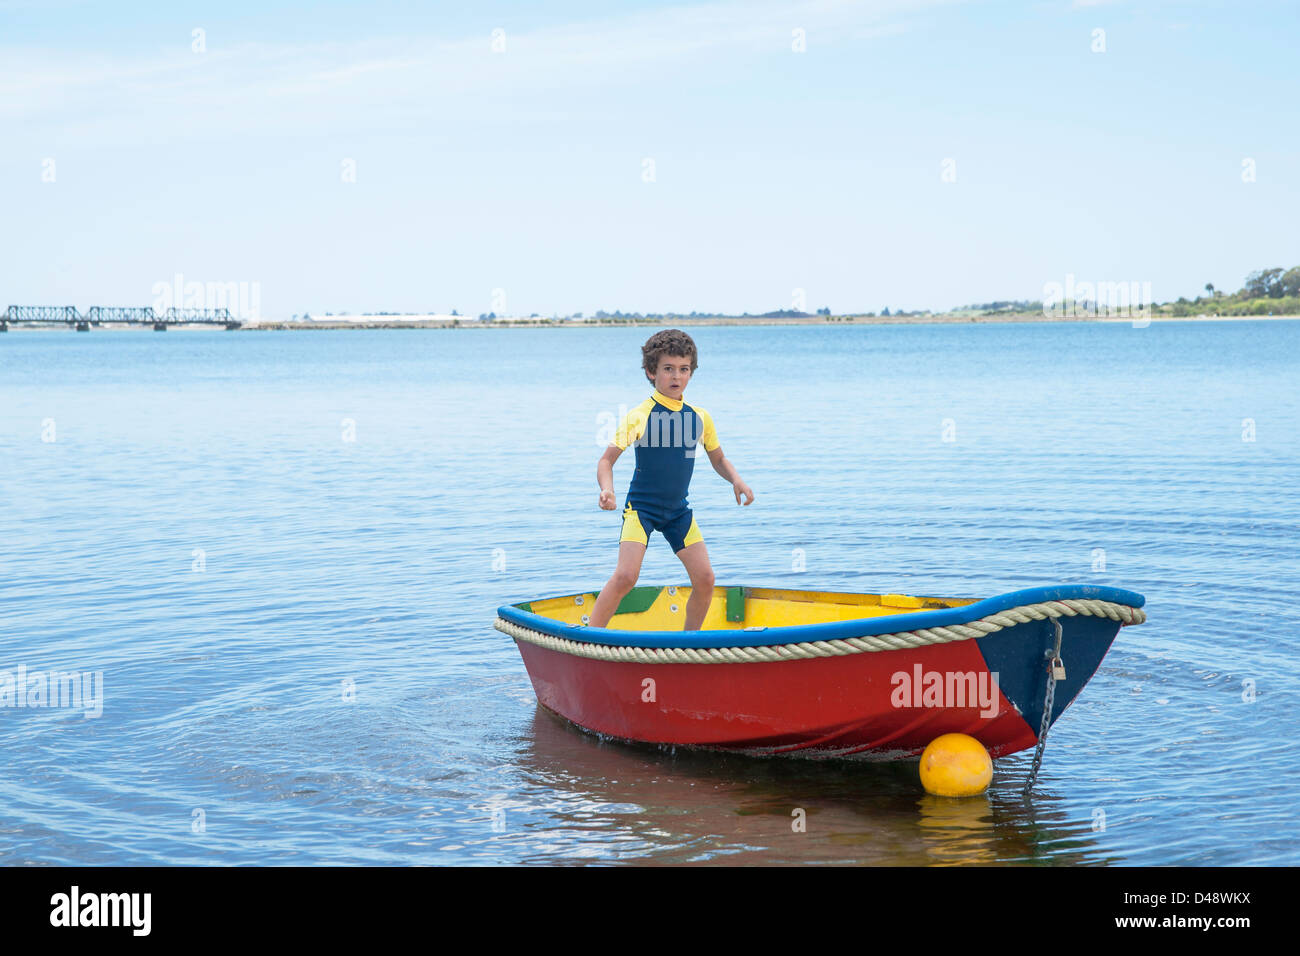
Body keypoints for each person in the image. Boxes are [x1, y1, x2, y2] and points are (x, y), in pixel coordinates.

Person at [589, 329, 754, 630]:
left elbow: (718, 459)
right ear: (652, 372)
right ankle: (588, 638)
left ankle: (689, 644)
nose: (676, 376)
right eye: (668, 369)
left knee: (705, 579)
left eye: (684, 369)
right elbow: (606, 461)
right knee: (626, 576)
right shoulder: (639, 416)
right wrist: (607, 490)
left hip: (679, 512)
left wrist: (736, 480)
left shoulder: (699, 417)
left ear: (691, 371)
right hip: (641, 509)